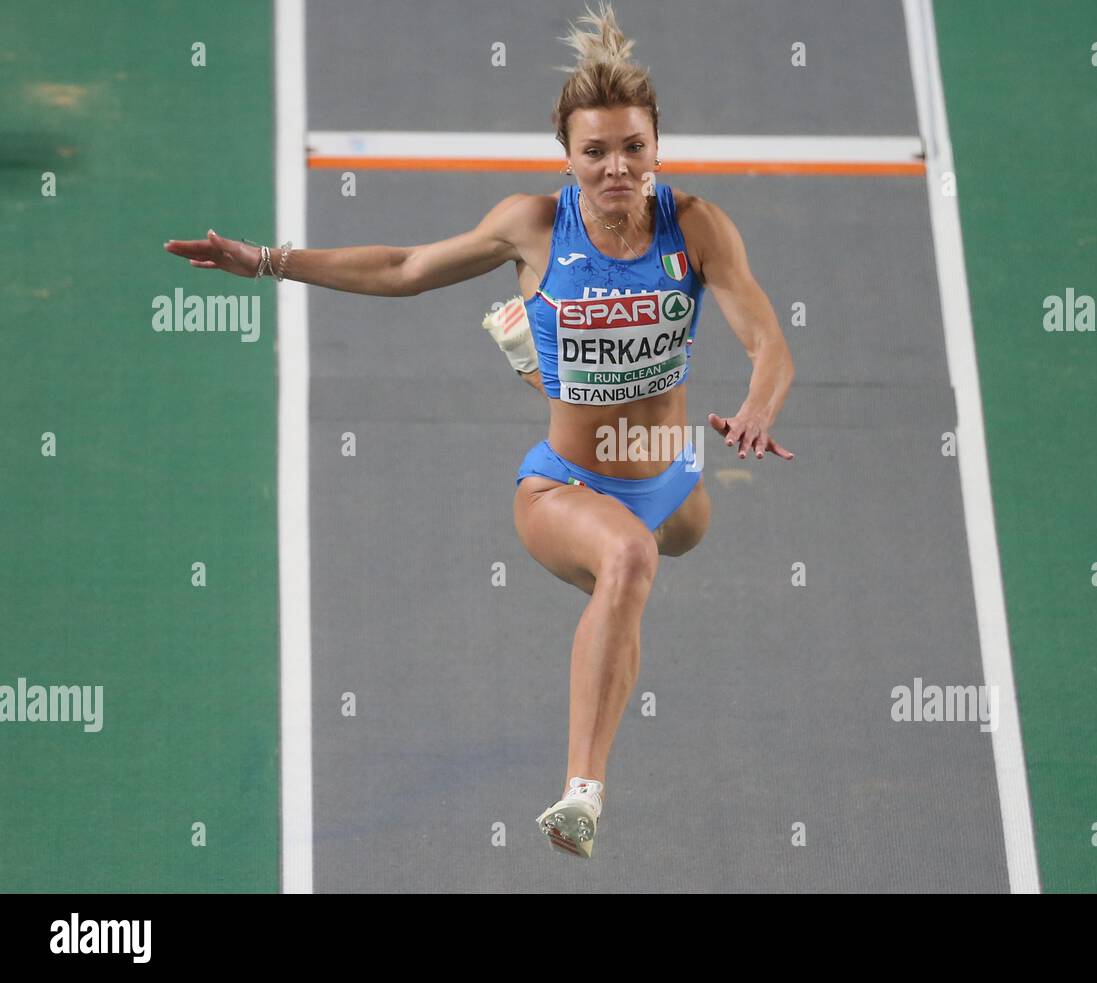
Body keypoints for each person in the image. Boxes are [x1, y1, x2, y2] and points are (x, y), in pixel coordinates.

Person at [163, 0, 794, 860]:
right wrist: (269, 261)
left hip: (669, 469)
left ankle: (530, 348)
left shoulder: (697, 227)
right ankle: (582, 793)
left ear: (657, 147)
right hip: (565, 486)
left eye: (633, 148)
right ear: (566, 156)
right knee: (630, 561)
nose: (616, 168)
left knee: (677, 538)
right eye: (596, 151)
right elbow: (403, 269)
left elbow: (767, 340)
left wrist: (757, 406)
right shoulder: (533, 224)